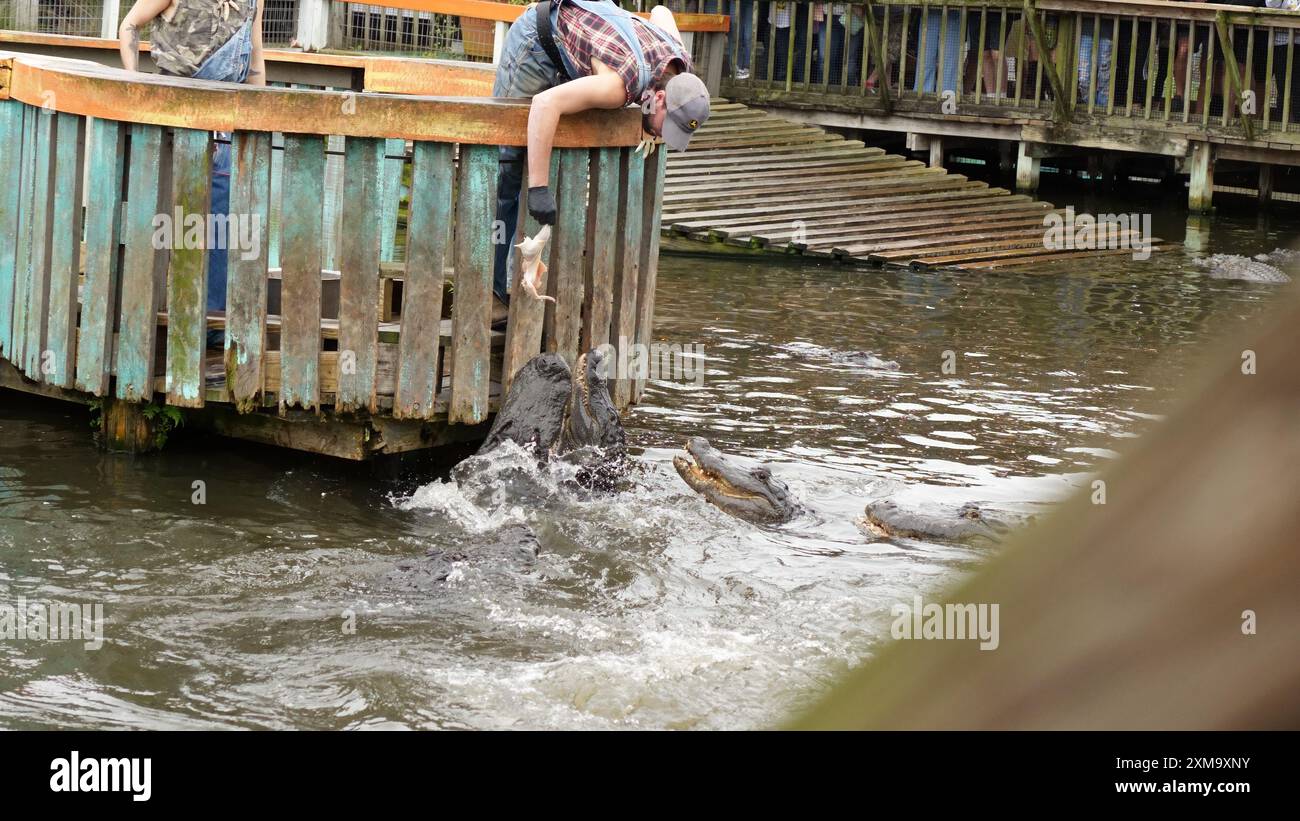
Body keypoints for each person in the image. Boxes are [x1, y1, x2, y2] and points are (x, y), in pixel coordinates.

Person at [491, 1, 711, 324]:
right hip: (536, 42)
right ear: (660, 97)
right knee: (509, 165)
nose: (664, 135)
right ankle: (496, 292)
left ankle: (521, 283)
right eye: (668, 125)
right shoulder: (617, 86)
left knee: (545, 152)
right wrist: (539, 187)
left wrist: (651, 124)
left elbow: (662, 12)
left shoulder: (679, 65)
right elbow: (544, 104)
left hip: (580, 44)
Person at [120, 0, 267, 348]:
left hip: (226, 125)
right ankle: (140, 318)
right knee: (163, 221)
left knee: (221, 224)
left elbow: (256, 57)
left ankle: (212, 324)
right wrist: (133, 87)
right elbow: (129, 25)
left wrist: (260, 117)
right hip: (172, 119)